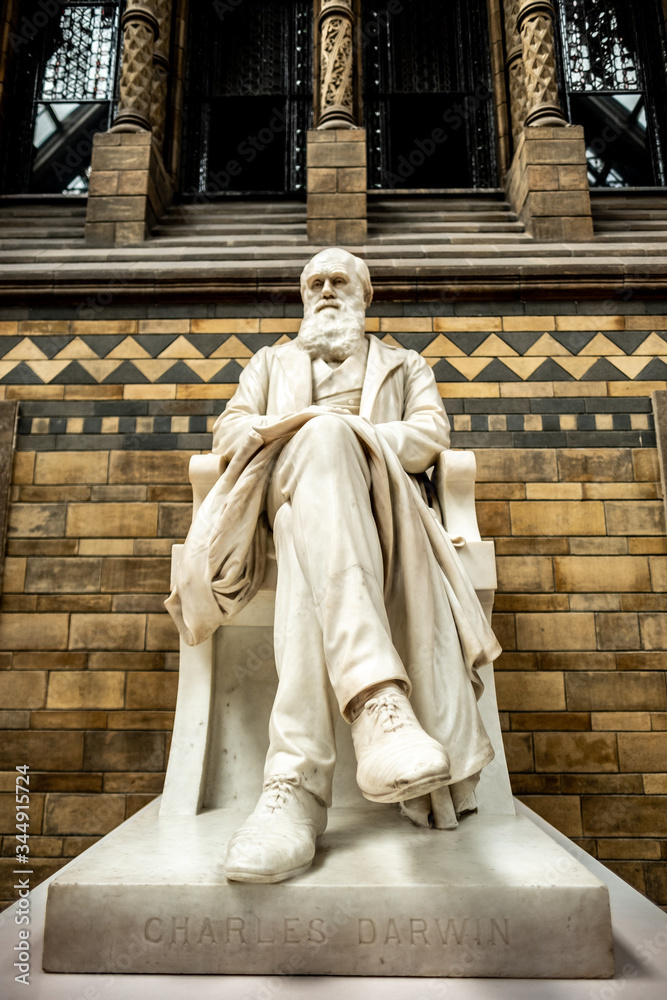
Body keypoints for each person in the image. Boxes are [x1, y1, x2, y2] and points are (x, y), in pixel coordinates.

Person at [166, 248, 500, 884]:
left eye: (337, 281)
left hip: (377, 510)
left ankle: (294, 791)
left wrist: (357, 440)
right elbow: (230, 433)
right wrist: (318, 426)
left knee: (306, 523)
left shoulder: (405, 364)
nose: (324, 290)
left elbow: (430, 435)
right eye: (313, 282)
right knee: (319, 447)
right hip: (275, 497)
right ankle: (379, 706)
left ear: (363, 296)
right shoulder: (270, 363)